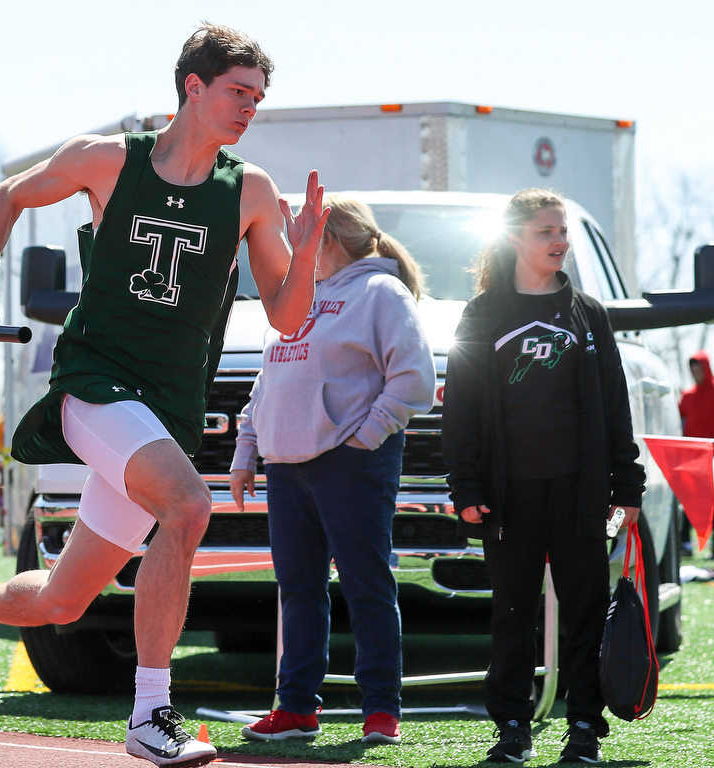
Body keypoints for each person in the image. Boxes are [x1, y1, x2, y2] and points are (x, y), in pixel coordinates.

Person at [0, 23, 330, 768]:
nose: (250, 107)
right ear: (193, 86)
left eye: (259, 97)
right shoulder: (107, 161)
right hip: (96, 385)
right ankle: (150, 713)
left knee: (63, 602)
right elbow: (6, 197)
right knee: (189, 507)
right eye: (238, 91)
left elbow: (288, 317)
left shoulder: (250, 190)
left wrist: (309, 247)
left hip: (166, 410)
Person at [441, 188, 646, 764]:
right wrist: (468, 490)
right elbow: (460, 412)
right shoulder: (482, 314)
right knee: (511, 616)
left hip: (580, 495)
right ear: (514, 238)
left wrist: (626, 488)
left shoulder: (588, 313)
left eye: (562, 231)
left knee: (584, 615)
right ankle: (512, 728)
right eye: (545, 232)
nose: (559, 241)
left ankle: (583, 727)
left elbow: (614, 405)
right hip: (510, 499)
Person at [229, 196, 435, 745]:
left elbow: (415, 378)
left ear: (331, 238)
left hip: (350, 463)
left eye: (303, 232)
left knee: (368, 586)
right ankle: (296, 709)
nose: (293, 242)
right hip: (288, 466)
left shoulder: (381, 292)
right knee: (298, 589)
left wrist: (364, 439)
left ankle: (381, 712)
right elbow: (267, 382)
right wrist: (247, 450)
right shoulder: (303, 295)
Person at [678, 350, 714, 556]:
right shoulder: (688, 396)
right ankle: (686, 544)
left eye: (699, 369)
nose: (695, 373)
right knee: (688, 501)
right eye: (692, 370)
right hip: (693, 458)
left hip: (713, 456)